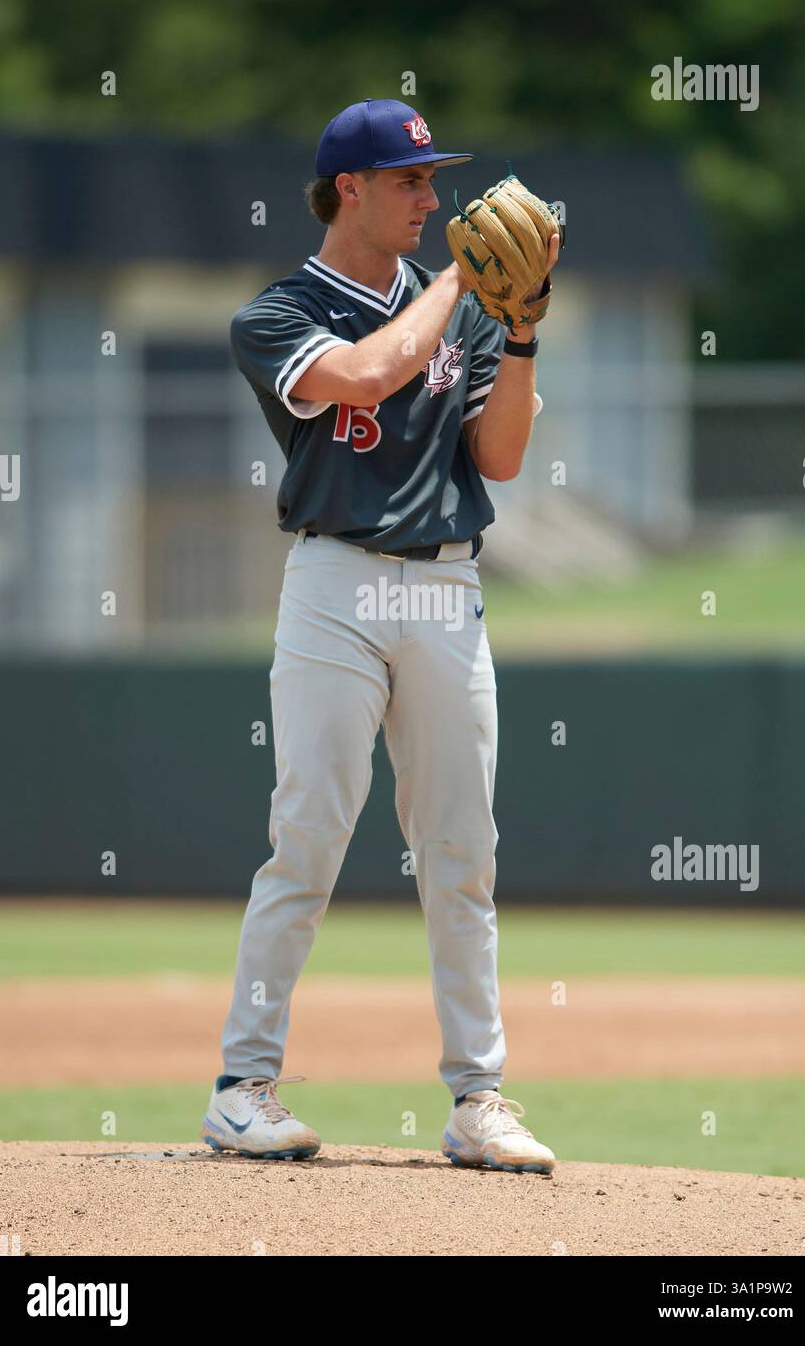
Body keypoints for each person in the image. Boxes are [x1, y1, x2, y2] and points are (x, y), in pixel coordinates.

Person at [201, 98, 559, 1174]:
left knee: (462, 850)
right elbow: (362, 375)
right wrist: (462, 282)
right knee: (307, 831)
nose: (432, 199)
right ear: (346, 187)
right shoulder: (274, 313)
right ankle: (242, 1086)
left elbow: (497, 458)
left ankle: (477, 1099)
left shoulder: (469, 306)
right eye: (408, 180)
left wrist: (523, 322)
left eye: (431, 179)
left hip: (445, 589)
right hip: (332, 583)